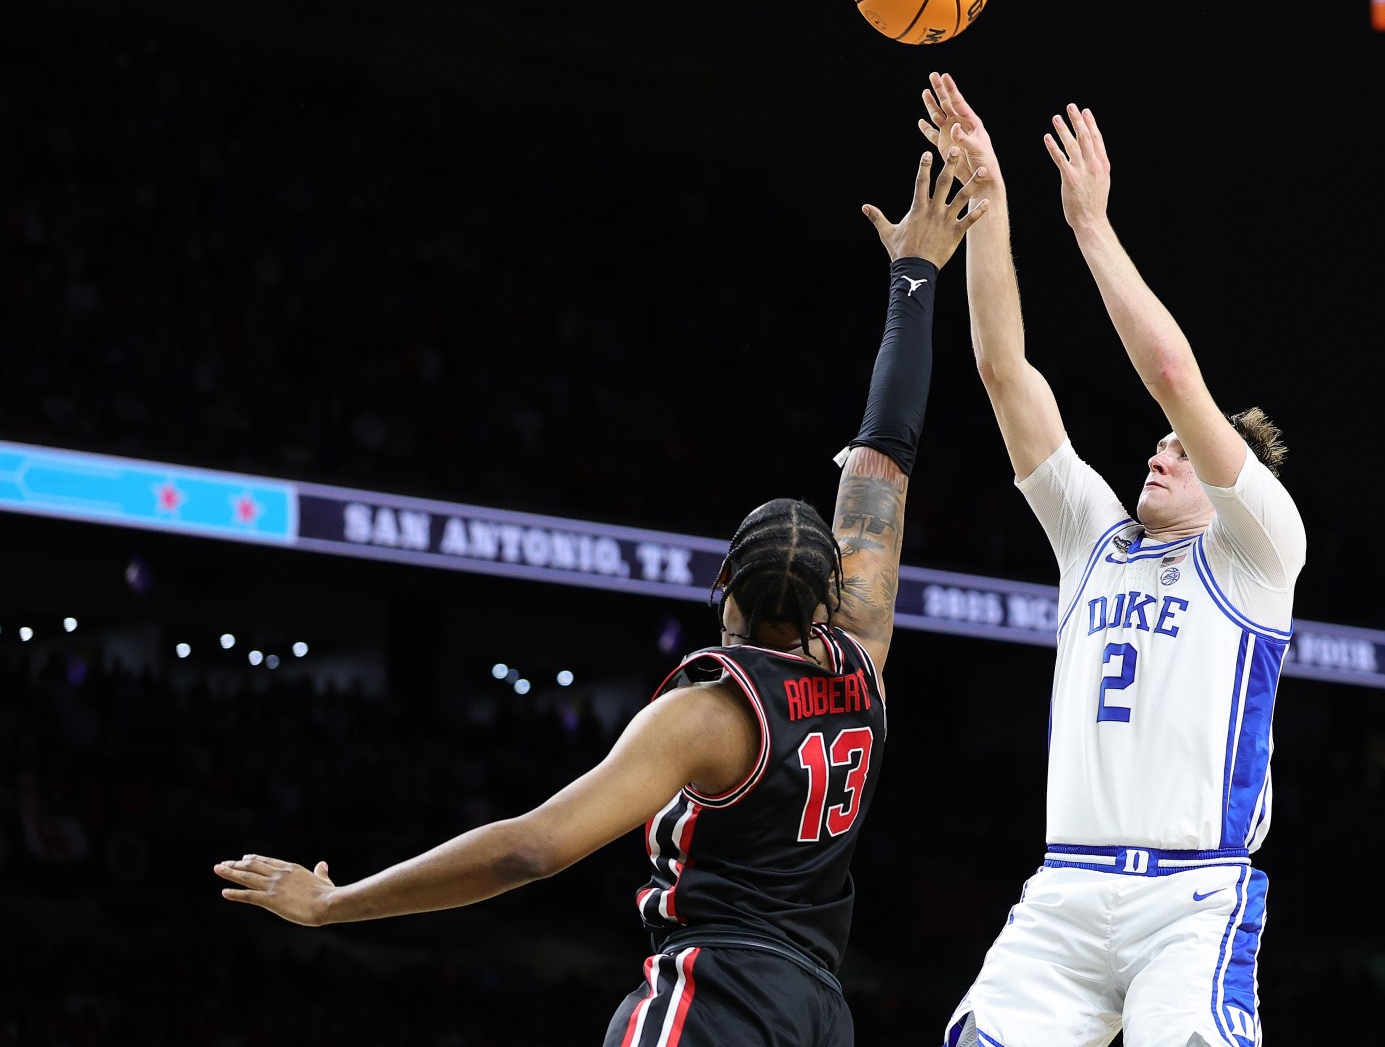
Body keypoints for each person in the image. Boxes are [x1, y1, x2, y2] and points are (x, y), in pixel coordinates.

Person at [214, 143, 989, 1047]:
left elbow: (529, 848)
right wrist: (917, 275)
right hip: (821, 1011)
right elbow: (886, 452)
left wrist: (336, 902)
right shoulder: (865, 658)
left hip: (717, 996)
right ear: (832, 597)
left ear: (722, 587)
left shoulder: (709, 715)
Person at [918, 72, 1305, 1047]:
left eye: (1183, 449)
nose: (1159, 450)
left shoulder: (1260, 549)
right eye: (1161, 444)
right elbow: (1006, 374)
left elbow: (1176, 379)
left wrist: (1090, 226)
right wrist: (995, 204)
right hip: (1066, 891)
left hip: (1190, 898)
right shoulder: (1095, 539)